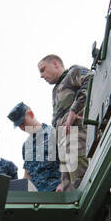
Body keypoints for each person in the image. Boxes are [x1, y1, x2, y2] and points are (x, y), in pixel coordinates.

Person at [37, 54, 91, 192]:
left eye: (43, 70)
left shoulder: (73, 73)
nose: (42, 76)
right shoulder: (55, 90)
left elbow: (91, 80)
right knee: (69, 191)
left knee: (83, 182)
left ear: (55, 64)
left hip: (77, 135)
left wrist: (74, 111)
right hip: (64, 145)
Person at [7, 102, 61, 192]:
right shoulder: (26, 146)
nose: (22, 127)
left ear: (31, 114)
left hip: (55, 193)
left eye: (23, 122)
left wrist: (64, 184)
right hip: (35, 198)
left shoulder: (53, 132)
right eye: (19, 125)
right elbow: (27, 175)